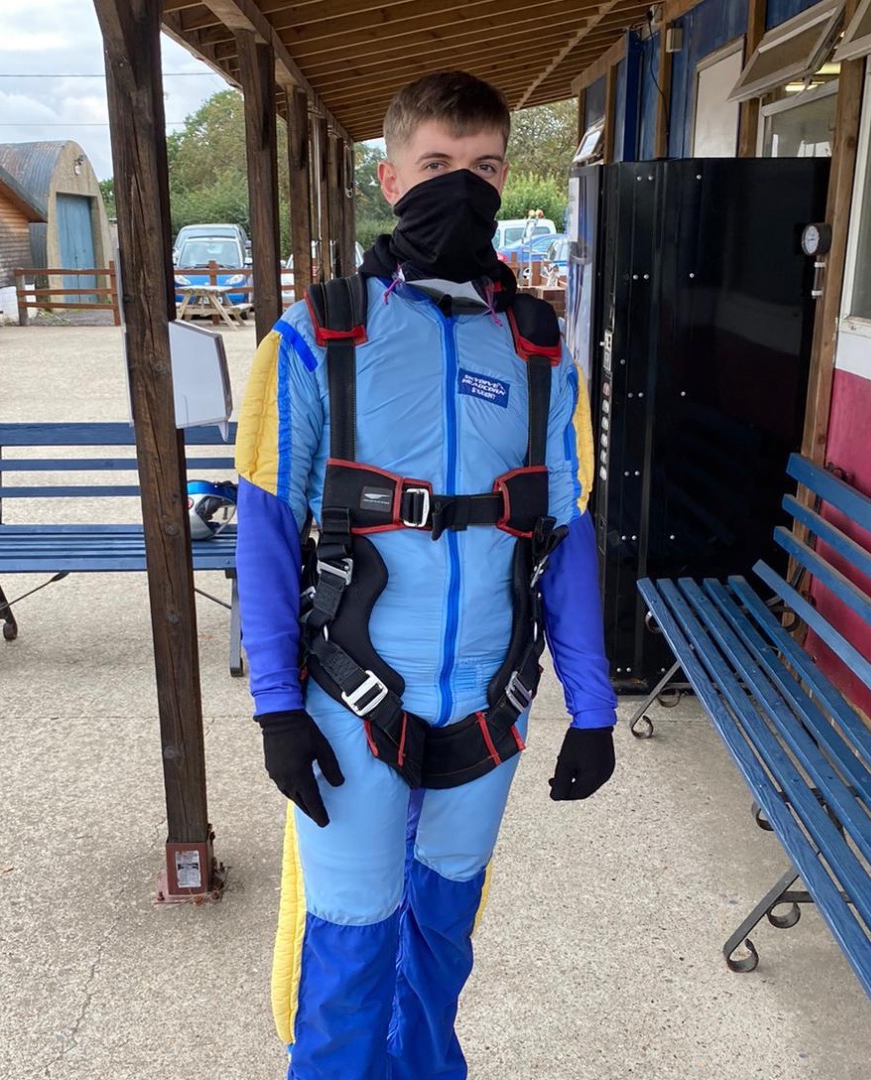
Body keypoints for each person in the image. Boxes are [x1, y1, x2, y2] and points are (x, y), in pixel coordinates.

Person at [232, 71, 617, 1080]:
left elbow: (565, 535)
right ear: (389, 174)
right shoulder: (318, 339)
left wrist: (594, 705)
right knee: (349, 957)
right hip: (353, 704)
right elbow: (266, 535)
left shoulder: (541, 356)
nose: (464, 189)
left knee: (441, 948)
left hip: (488, 711)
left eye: (486, 168)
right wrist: (277, 708)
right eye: (438, 166)